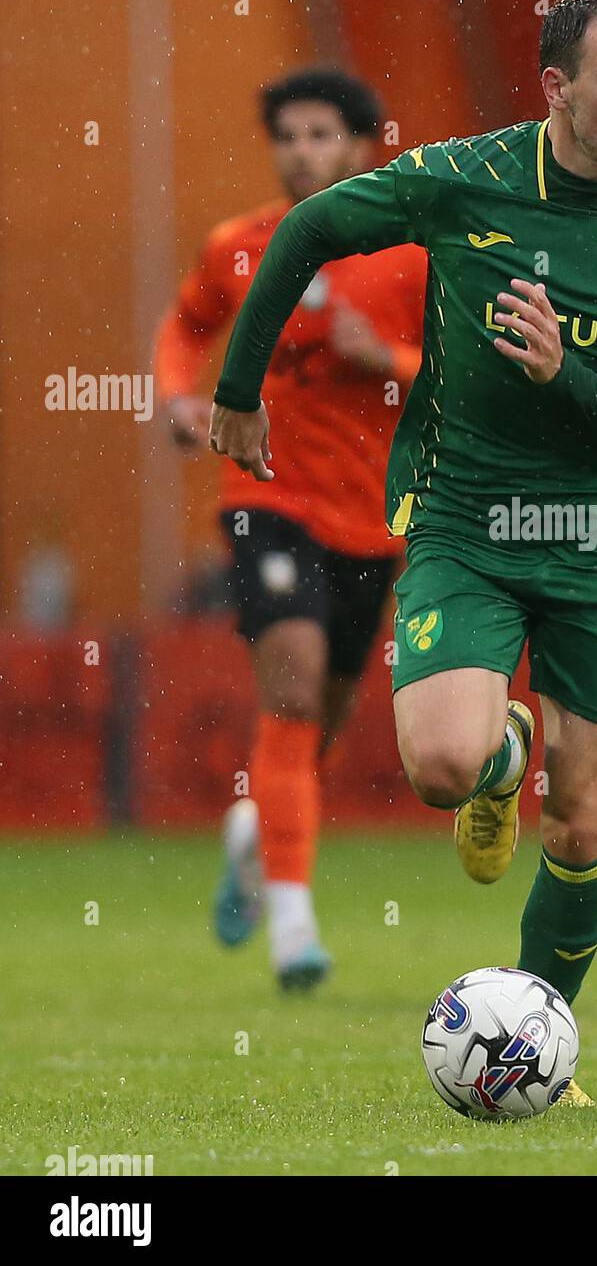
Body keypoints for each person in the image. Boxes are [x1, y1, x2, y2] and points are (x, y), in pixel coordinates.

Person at [208, 0, 597, 1100]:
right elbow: (307, 229)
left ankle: (540, 1048)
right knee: (442, 768)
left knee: (581, 822)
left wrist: (561, 372)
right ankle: (500, 754)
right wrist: (237, 391)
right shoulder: (468, 179)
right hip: (466, 520)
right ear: (557, 88)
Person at [155, 67, 426, 990]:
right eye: (289, 137)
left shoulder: (411, 253)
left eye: (321, 135)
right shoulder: (240, 245)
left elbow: (465, 375)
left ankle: (251, 830)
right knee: (294, 683)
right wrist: (179, 402)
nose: (302, 152)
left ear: (362, 146)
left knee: (324, 722)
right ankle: (294, 928)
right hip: (265, 496)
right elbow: (185, 326)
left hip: (373, 519)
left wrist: (383, 355)